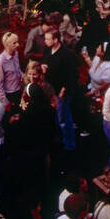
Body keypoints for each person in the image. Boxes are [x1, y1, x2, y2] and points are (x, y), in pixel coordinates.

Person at [43, 26, 78, 157]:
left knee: (64, 119)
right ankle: (60, 143)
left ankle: (70, 145)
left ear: (56, 39)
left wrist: (64, 89)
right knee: (56, 119)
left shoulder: (66, 54)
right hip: (50, 90)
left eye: (48, 39)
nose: (45, 41)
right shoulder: (48, 50)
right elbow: (45, 61)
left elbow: (72, 75)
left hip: (61, 91)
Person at [0, 32, 23, 109]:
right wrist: (5, 102)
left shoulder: (16, 54)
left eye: (17, 42)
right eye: (14, 43)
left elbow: (18, 70)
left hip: (19, 91)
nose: (18, 45)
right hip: (9, 95)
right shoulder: (0, 61)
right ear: (7, 45)